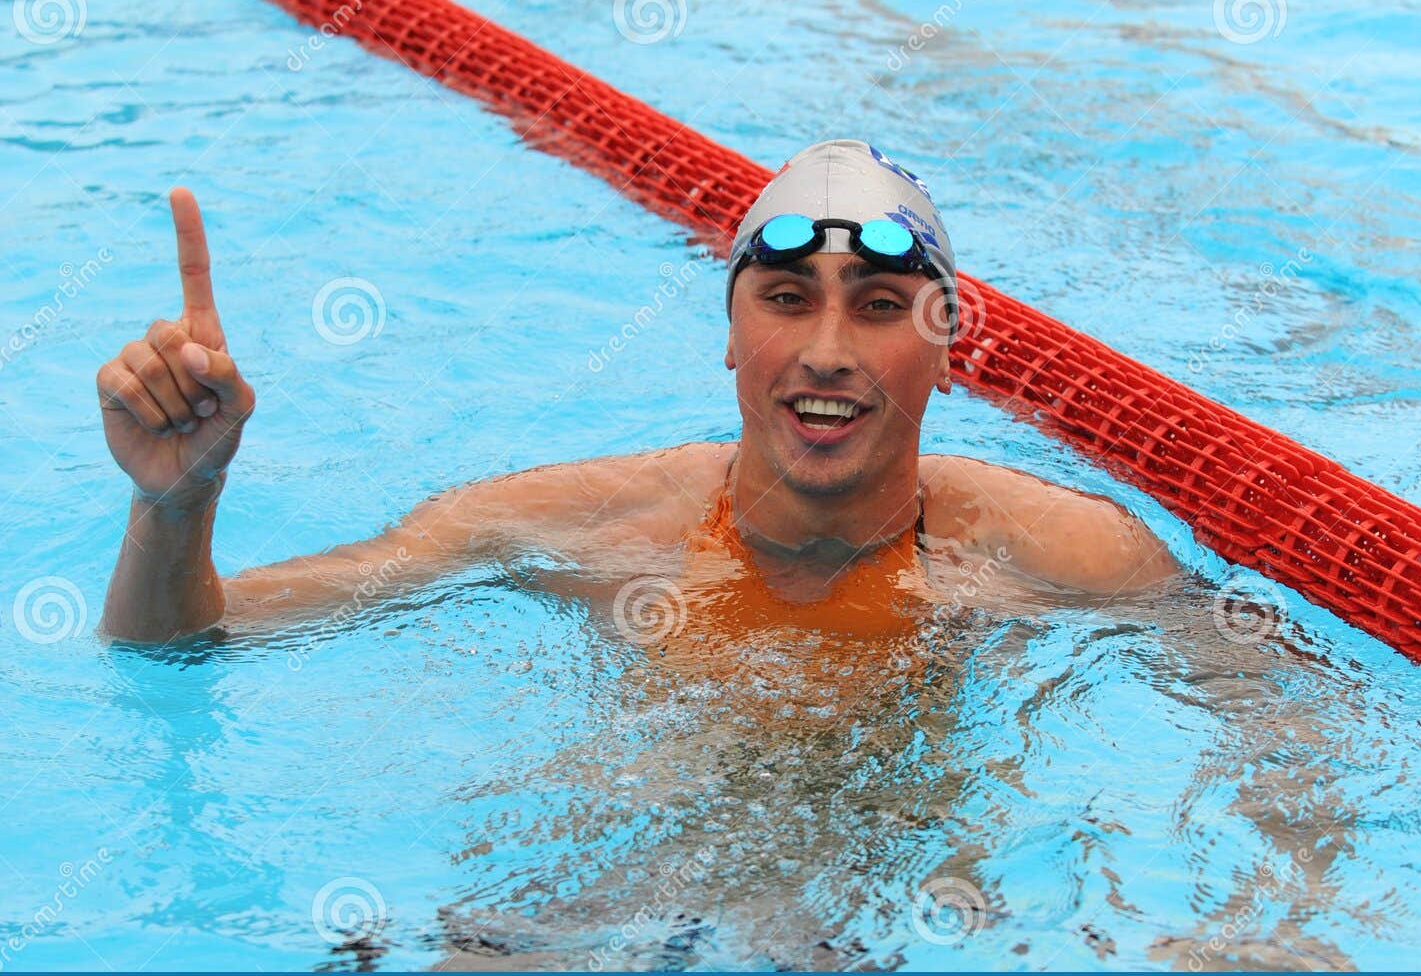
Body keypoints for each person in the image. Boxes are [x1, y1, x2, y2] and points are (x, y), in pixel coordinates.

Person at [96, 139, 1179, 646]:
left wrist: (1264, 922)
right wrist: (174, 507)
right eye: (788, 298)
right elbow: (189, 644)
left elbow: (1278, 718)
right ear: (729, 333)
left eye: (883, 306)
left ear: (946, 349)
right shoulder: (573, 526)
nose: (829, 350)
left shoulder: (1067, 556)